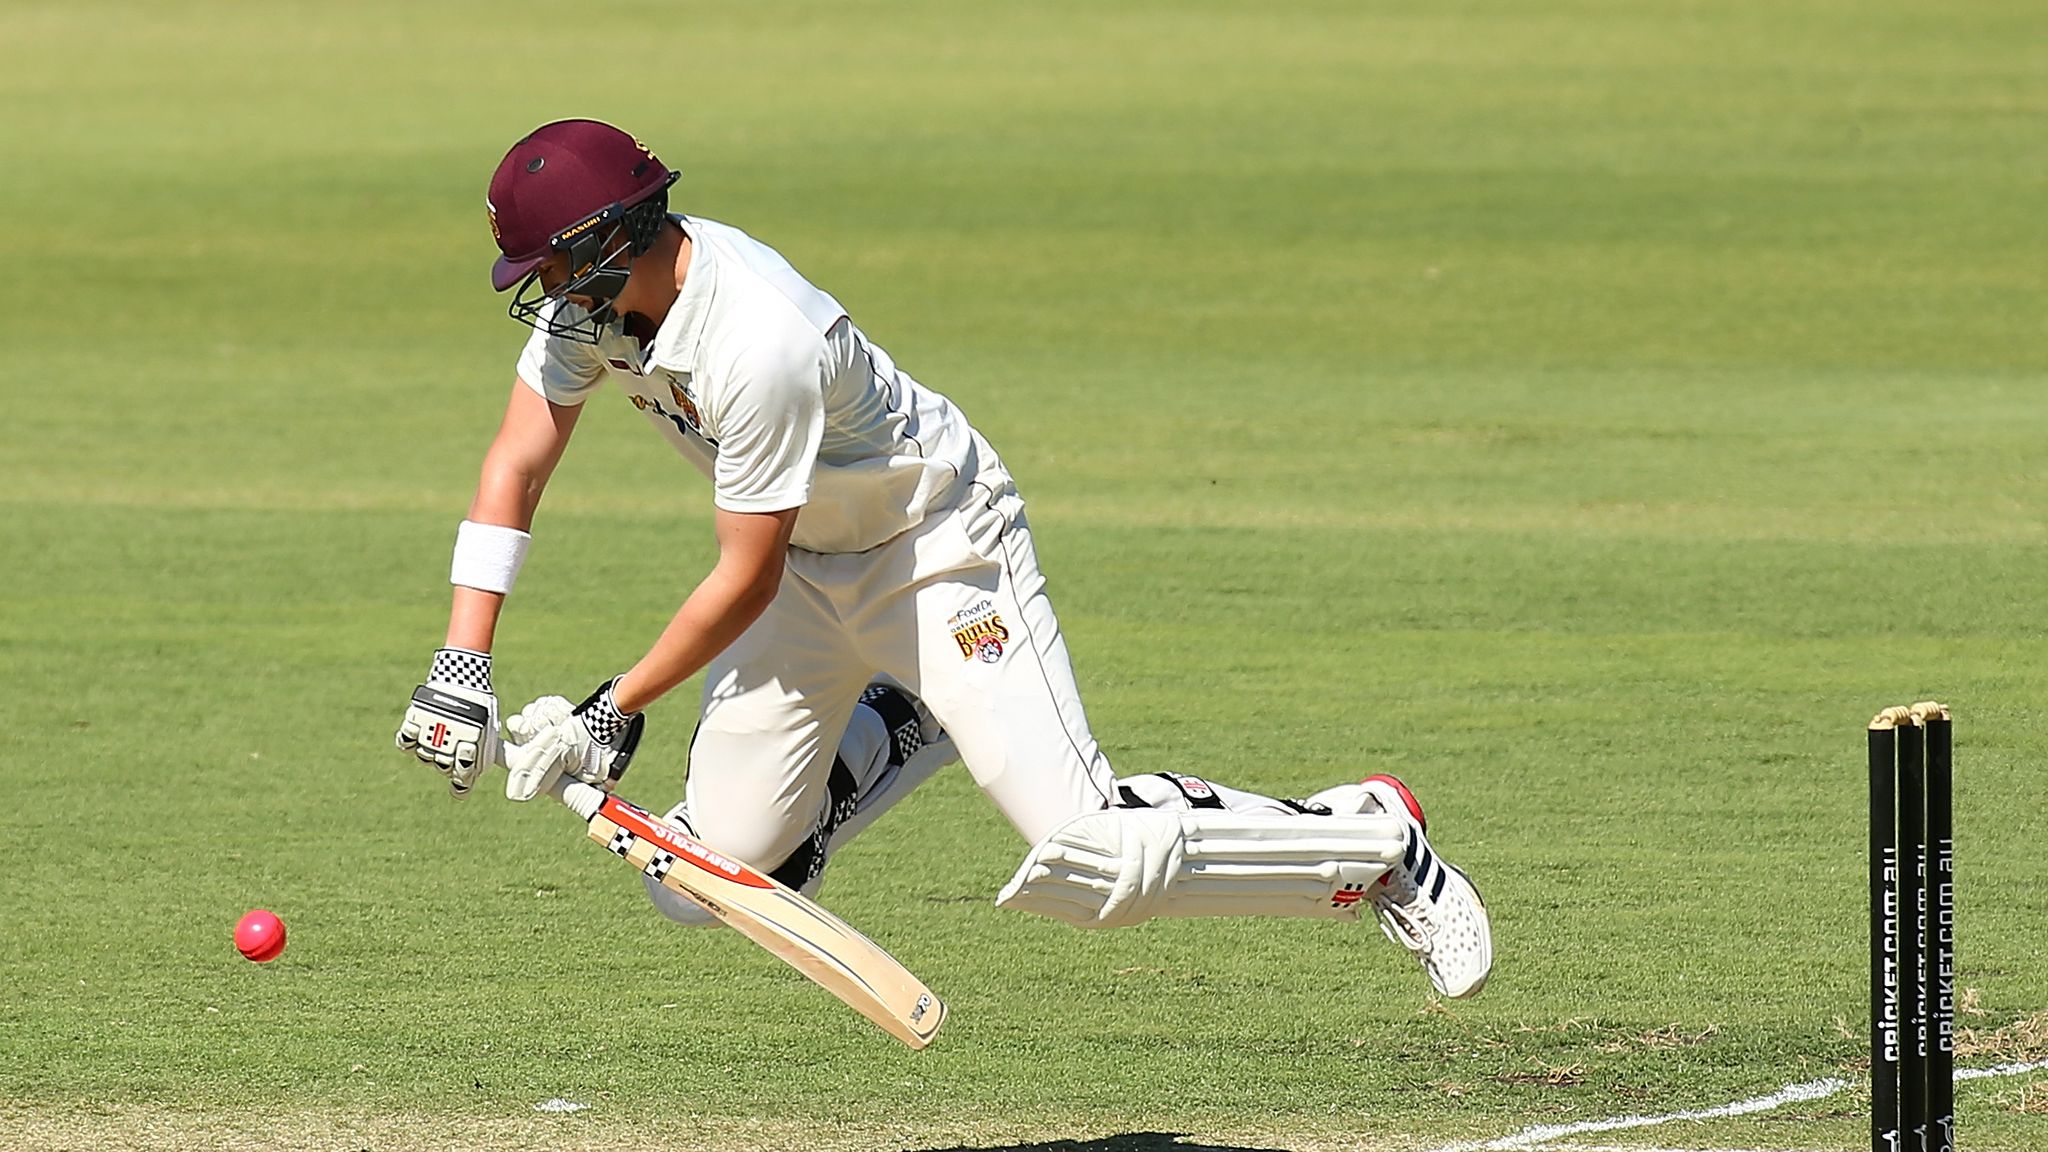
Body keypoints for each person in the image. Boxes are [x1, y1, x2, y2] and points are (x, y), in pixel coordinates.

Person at [394, 118, 1493, 999]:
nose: (547, 291)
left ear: (612, 238)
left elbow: (744, 575)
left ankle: (1371, 840)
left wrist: (610, 711)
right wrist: (461, 663)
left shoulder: (756, 341)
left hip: (937, 552)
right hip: (808, 574)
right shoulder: (593, 315)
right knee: (698, 882)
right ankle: (900, 721)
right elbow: (517, 464)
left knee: (1094, 861)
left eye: (555, 264)